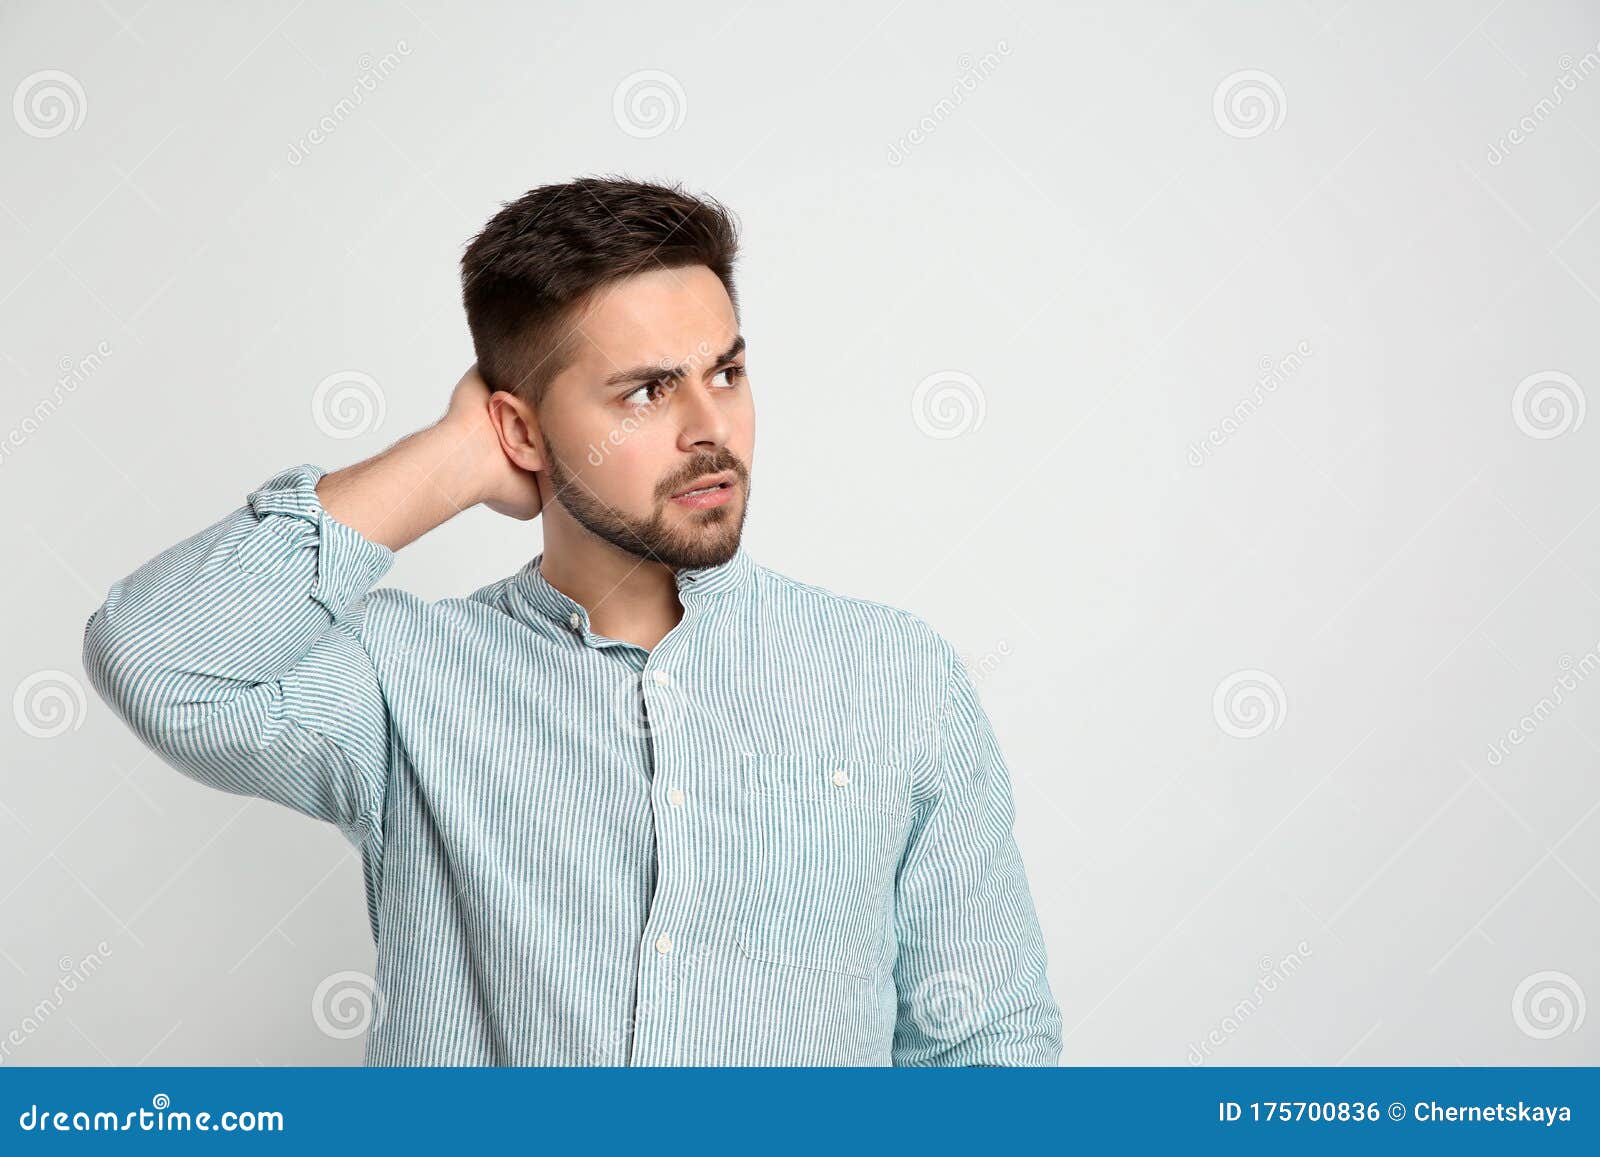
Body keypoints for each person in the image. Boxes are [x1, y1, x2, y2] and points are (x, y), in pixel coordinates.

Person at [81, 176, 1062, 1066]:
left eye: (725, 372)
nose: (708, 429)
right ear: (521, 427)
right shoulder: (404, 681)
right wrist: (454, 458)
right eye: (646, 390)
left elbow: (984, 1043)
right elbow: (163, 655)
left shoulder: (891, 674)